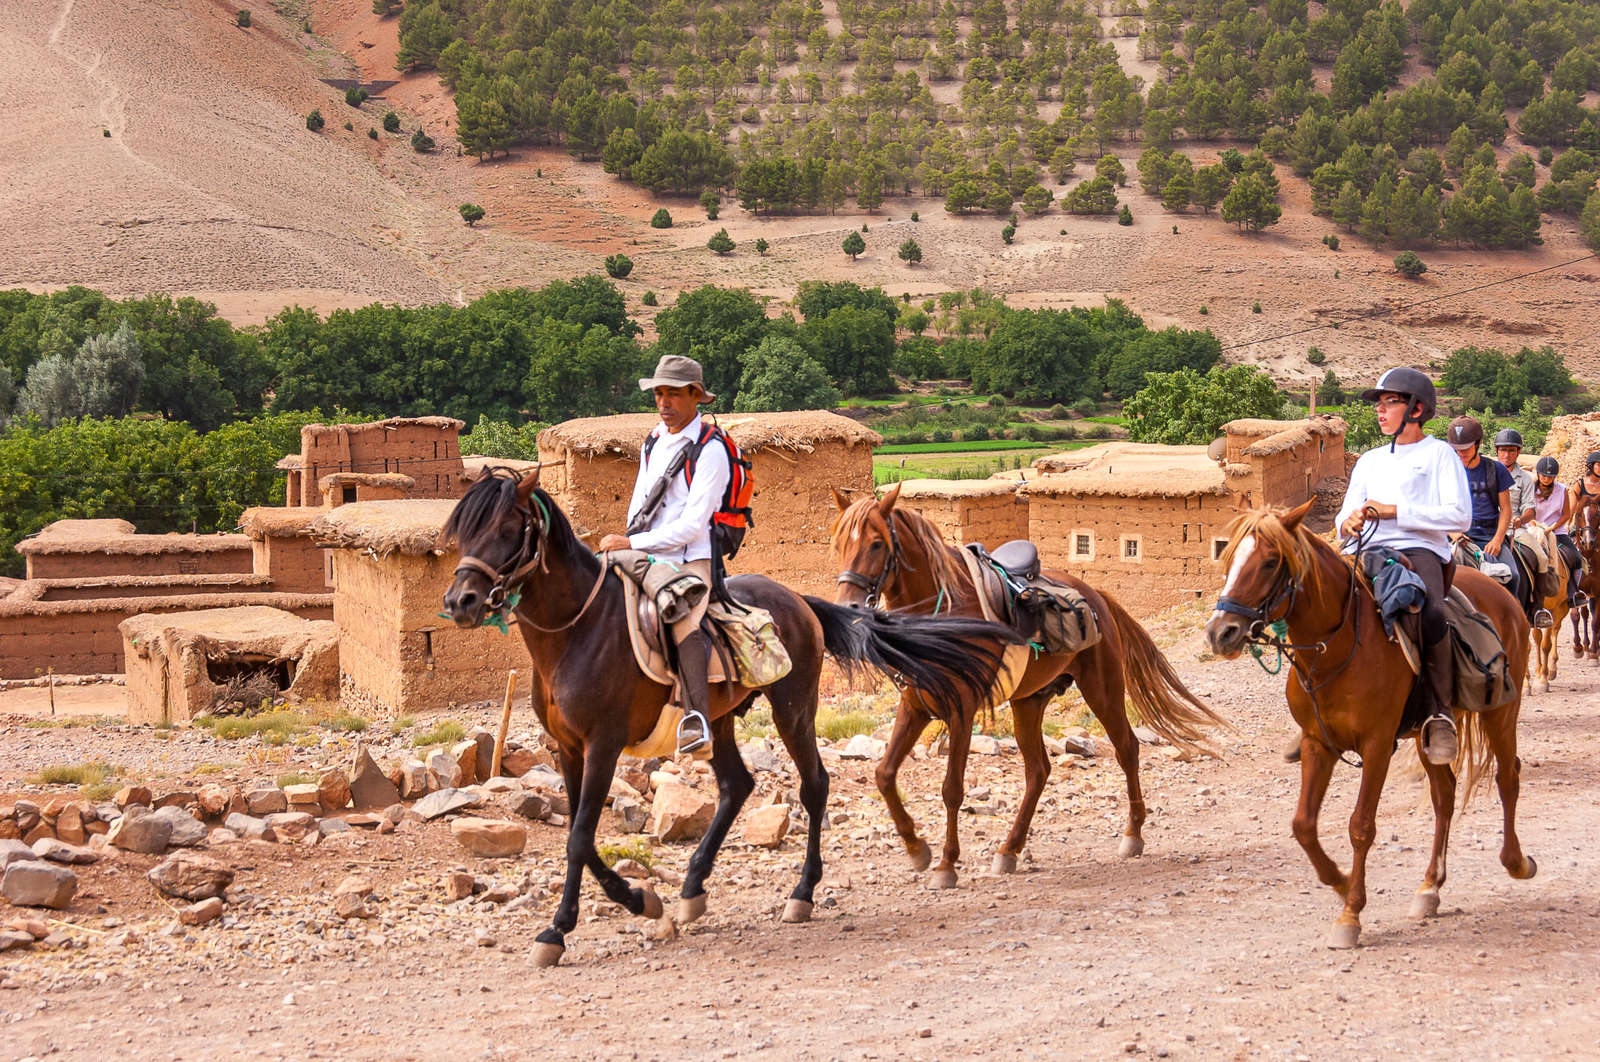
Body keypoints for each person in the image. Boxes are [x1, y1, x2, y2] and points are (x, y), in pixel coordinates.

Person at [1336, 368, 1471, 766]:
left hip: (1420, 551)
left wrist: (1395, 511)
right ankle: (1320, 711)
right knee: (1322, 604)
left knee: (1430, 612)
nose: (1379, 410)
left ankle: (1438, 713)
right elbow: (1345, 513)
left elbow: (1459, 516)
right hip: (1366, 550)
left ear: (1417, 409)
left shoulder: (1439, 454)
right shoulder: (1369, 461)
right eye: (1378, 403)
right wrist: (1348, 522)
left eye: (1389, 402)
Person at [598, 355, 731, 755]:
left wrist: (632, 544)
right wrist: (629, 541)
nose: (663, 403)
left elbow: (693, 526)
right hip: (646, 553)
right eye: (658, 393)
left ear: (696, 396)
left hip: (691, 560)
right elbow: (639, 504)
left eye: (673, 394)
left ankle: (696, 721)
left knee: (680, 618)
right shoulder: (653, 440)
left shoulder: (711, 450)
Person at [1447, 416, 1538, 623]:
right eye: (1457, 449)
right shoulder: (1447, 470)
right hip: (1457, 535)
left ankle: (1515, 623)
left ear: (1478, 444)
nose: (1461, 453)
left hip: (1488, 535)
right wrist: (1453, 533)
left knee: (1513, 576)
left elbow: (1505, 509)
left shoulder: (1494, 470)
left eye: (1466, 448)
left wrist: (1497, 540)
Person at [1528, 456, 1585, 608]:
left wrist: (1552, 528)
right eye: (1544, 475)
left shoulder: (1562, 490)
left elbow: (1566, 514)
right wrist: (1534, 524)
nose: (1547, 479)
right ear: (1538, 474)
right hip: (1533, 529)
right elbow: (1526, 510)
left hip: (1557, 531)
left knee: (1576, 557)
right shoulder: (1529, 488)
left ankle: (1573, 592)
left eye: (1550, 476)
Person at [1494, 428, 1534, 529]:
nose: (1507, 455)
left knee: (1535, 545)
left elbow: (1529, 508)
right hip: (1487, 528)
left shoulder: (1525, 479)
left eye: (1511, 451)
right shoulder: (1485, 473)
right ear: (1496, 450)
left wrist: (1520, 520)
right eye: (1503, 450)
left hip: (1513, 528)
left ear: (1518, 452)